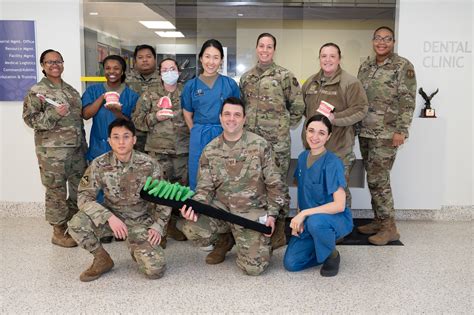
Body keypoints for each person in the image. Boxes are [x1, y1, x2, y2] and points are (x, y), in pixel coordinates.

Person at [179, 97, 286, 276]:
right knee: (191, 227)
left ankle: (262, 240)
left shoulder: (260, 145)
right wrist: (195, 207)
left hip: (251, 212)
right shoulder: (210, 150)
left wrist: (273, 214)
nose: (231, 119)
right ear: (220, 118)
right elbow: (204, 188)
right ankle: (226, 238)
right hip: (222, 210)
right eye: (227, 114)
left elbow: (275, 184)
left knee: (254, 268)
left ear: (245, 119)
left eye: (237, 115)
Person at [67, 119, 170, 282]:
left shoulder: (149, 164)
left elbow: (165, 199)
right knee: (76, 224)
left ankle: (135, 244)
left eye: (126, 136)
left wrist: (158, 226)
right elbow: (84, 196)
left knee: (154, 271)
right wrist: (109, 217)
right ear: (109, 141)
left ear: (134, 140)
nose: (121, 142)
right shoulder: (99, 164)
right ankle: (102, 259)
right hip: (112, 217)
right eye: (116, 137)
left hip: (140, 221)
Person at [239, 33, 305, 249]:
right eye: (261, 46)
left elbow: (297, 107)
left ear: (274, 50)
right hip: (252, 144)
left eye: (269, 46)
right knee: (255, 184)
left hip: (277, 144)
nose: (265, 50)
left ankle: (279, 230)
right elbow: (242, 108)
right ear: (256, 48)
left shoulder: (285, 76)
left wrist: (282, 126)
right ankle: (258, 225)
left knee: (278, 185)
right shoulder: (246, 78)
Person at [356, 26, 416, 245]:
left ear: (393, 42)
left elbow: (407, 101)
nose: (382, 42)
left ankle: (390, 227)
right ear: (373, 41)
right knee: (373, 179)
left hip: (387, 133)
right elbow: (359, 98)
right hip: (366, 132)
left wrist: (401, 130)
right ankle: (378, 220)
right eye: (378, 38)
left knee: (379, 180)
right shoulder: (366, 66)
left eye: (387, 39)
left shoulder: (403, 66)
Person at [22, 49, 87, 247]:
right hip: (52, 153)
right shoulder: (37, 91)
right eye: (49, 62)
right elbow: (30, 119)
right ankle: (58, 232)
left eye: (58, 61)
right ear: (42, 66)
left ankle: (73, 226)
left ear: (63, 63)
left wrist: (83, 144)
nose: (54, 65)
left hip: (76, 150)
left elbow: (77, 120)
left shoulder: (71, 90)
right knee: (56, 191)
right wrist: (54, 114)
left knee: (79, 189)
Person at [283, 114, 353, 277]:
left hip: (332, 218)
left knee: (315, 223)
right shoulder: (301, 158)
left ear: (328, 137)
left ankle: (332, 255)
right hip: (309, 219)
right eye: (311, 131)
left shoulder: (332, 162)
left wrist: (304, 214)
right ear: (305, 132)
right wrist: (298, 219)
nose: (315, 137)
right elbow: (303, 193)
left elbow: (339, 205)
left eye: (321, 133)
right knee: (291, 263)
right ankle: (320, 245)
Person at [302, 42, 368, 207]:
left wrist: (334, 118)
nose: (328, 60)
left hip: (338, 149)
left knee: (338, 191)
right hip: (314, 149)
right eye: (324, 56)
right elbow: (305, 110)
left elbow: (360, 110)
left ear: (339, 59)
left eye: (332, 56)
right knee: (316, 190)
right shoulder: (311, 82)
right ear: (319, 59)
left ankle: (341, 230)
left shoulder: (350, 82)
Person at [132, 57, 189, 247]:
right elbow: (137, 121)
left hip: (182, 151)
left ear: (178, 72)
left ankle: (172, 225)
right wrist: (154, 117)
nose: (169, 72)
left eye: (172, 68)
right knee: (159, 192)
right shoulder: (149, 94)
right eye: (165, 69)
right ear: (160, 73)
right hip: (158, 151)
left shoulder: (186, 93)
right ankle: (159, 230)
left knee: (178, 192)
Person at [181, 39, 240, 191]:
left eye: (216, 57)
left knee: (226, 174)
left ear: (221, 60)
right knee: (198, 173)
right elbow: (187, 112)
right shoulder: (191, 85)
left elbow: (238, 112)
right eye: (207, 56)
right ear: (201, 58)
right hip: (199, 133)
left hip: (225, 133)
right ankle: (199, 210)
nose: (211, 62)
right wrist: (194, 130)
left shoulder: (230, 84)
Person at [82, 55, 139, 162]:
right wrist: (103, 97)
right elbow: (86, 115)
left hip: (123, 150)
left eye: (116, 68)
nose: (111, 71)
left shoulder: (132, 96)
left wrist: (117, 113)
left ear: (122, 71)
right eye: (108, 68)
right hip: (98, 149)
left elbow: (134, 125)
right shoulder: (93, 91)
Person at [126, 44, 161, 152]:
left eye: (148, 57)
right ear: (135, 61)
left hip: (159, 135)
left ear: (155, 59)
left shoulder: (164, 80)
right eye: (140, 58)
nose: (145, 60)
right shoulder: (126, 81)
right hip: (133, 133)